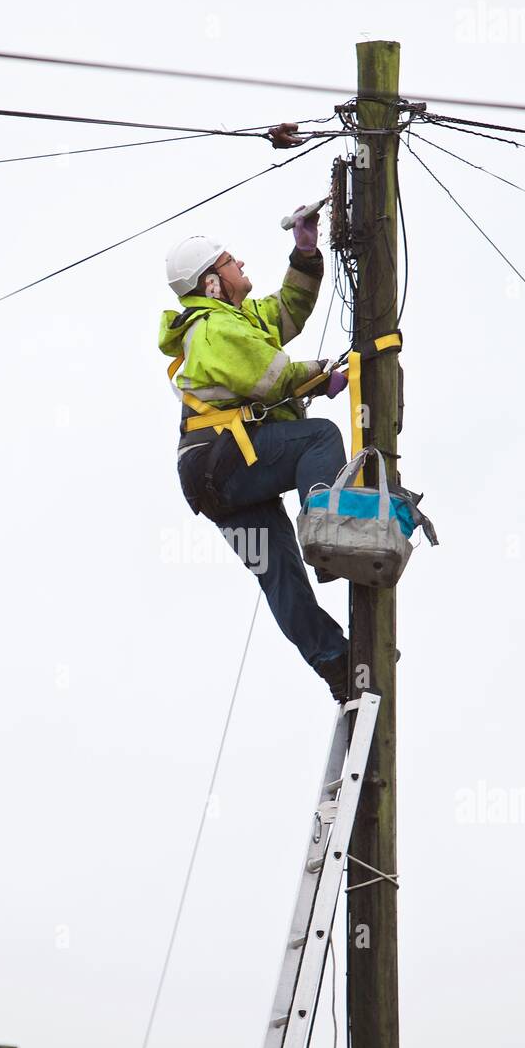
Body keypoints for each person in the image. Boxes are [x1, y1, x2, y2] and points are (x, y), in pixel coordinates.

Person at [158, 210, 351, 702]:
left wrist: (305, 254)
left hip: (214, 478)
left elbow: (287, 311)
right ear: (212, 282)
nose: (240, 263)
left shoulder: (234, 320)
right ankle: (326, 529)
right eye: (229, 261)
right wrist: (322, 374)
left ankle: (338, 666)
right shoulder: (214, 330)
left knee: (281, 575)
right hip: (223, 462)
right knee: (320, 438)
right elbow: (274, 376)